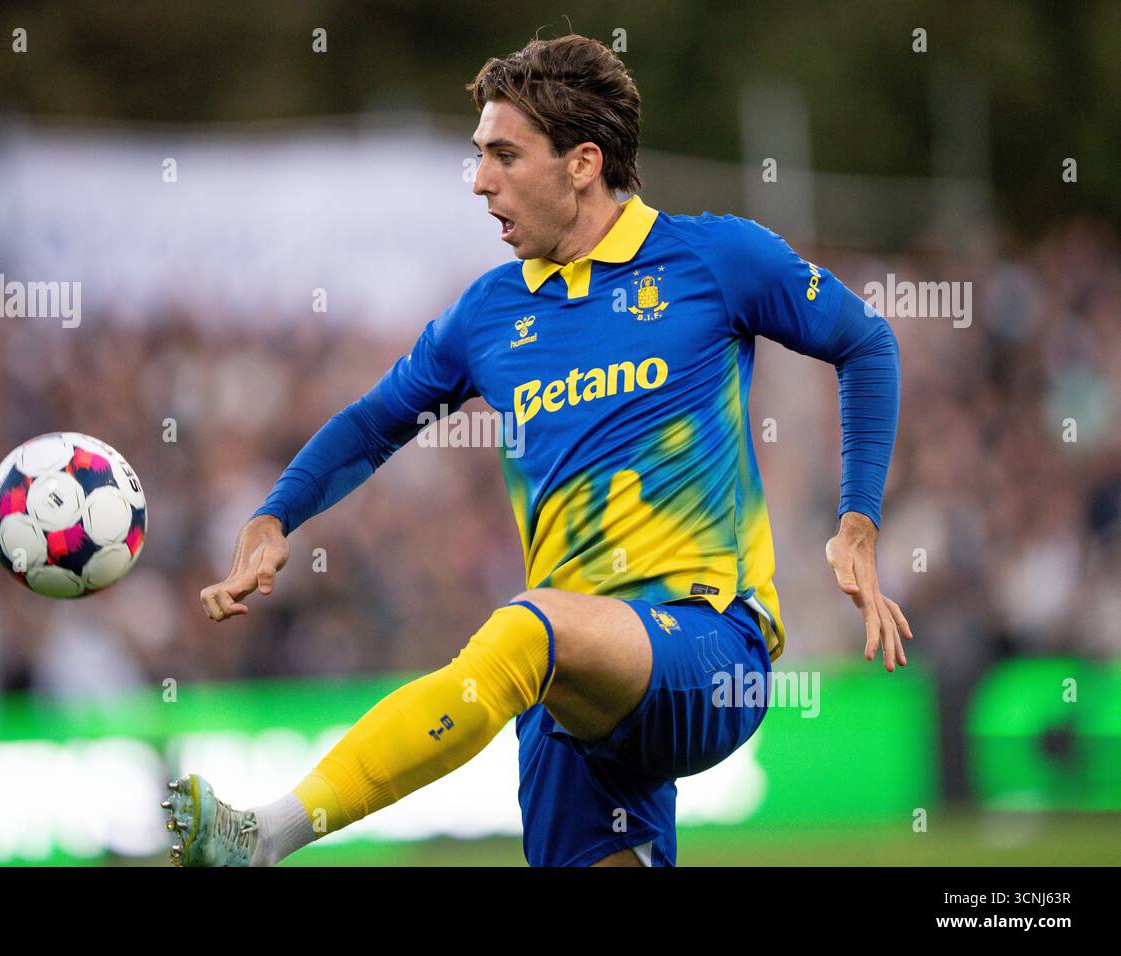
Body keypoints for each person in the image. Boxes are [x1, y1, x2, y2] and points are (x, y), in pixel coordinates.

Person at [164, 34, 910, 868]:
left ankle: (265, 836)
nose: (480, 181)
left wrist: (857, 521)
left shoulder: (715, 259)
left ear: (582, 163)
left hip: (707, 651)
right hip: (571, 690)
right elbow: (375, 422)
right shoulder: (486, 315)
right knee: (542, 644)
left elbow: (866, 343)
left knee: (528, 627)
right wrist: (276, 514)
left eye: (504, 156)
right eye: (478, 156)